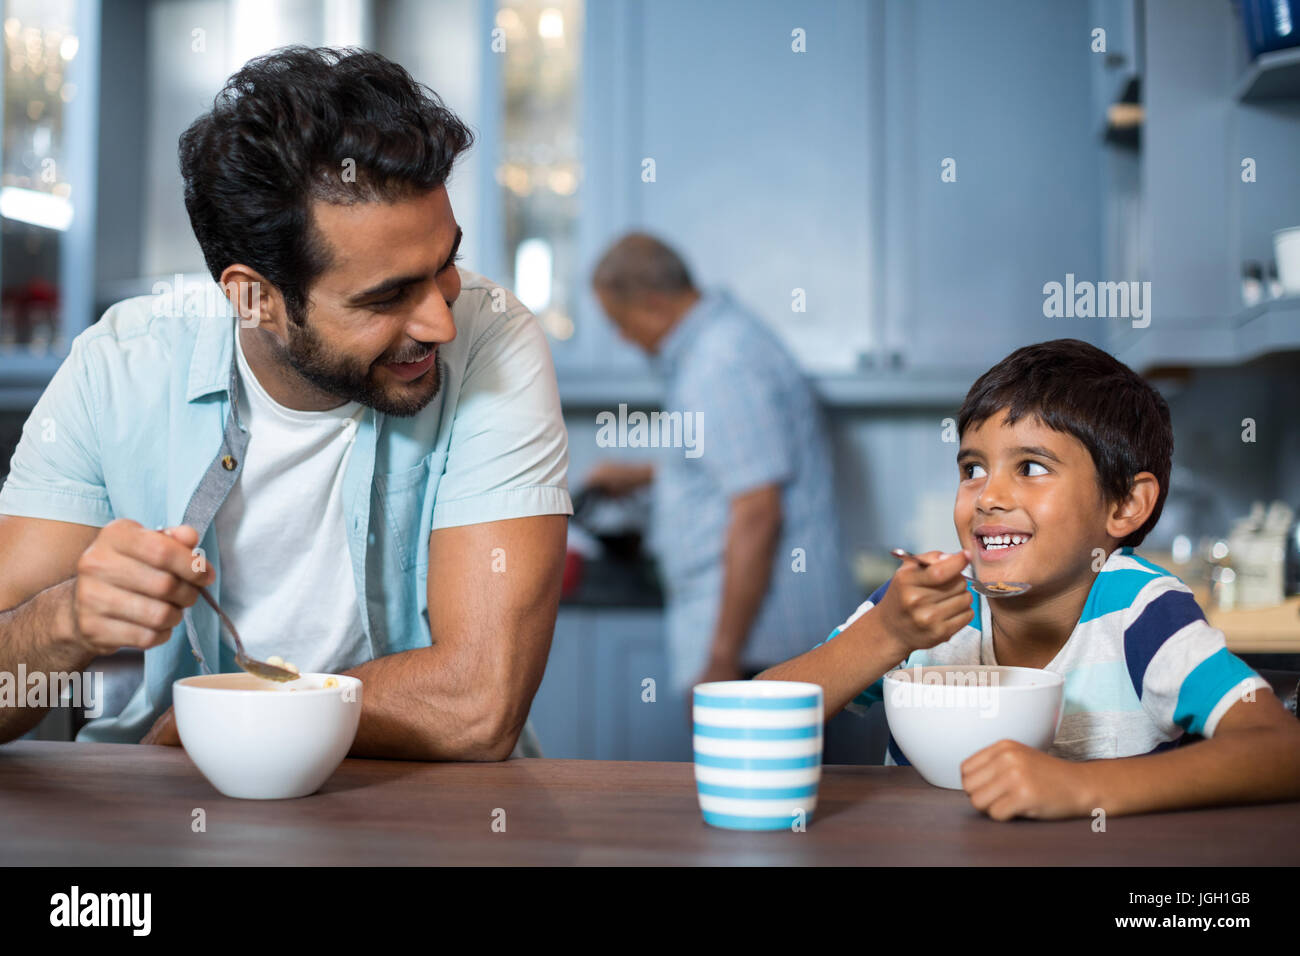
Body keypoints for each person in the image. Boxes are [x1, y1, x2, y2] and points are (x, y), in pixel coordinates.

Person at [0, 47, 571, 759]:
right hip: (169, 806)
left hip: (427, 814)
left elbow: (477, 703)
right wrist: (68, 620)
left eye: (445, 264)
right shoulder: (119, 368)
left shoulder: (495, 338)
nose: (441, 323)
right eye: (388, 296)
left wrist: (204, 724)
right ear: (254, 298)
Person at [758, 339, 1300, 818]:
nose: (988, 497)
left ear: (1125, 505)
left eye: (1031, 468)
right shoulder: (924, 606)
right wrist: (886, 635)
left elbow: (1282, 750)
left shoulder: (1143, 614)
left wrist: (1080, 787)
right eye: (972, 469)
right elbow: (756, 721)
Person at [585, 234, 852, 711]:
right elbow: (728, 463)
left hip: (762, 646)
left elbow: (756, 511)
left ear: (652, 302)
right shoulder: (723, 344)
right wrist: (642, 474)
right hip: (766, 640)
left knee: (759, 785)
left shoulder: (719, 363)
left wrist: (721, 656)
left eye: (620, 323)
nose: (623, 338)